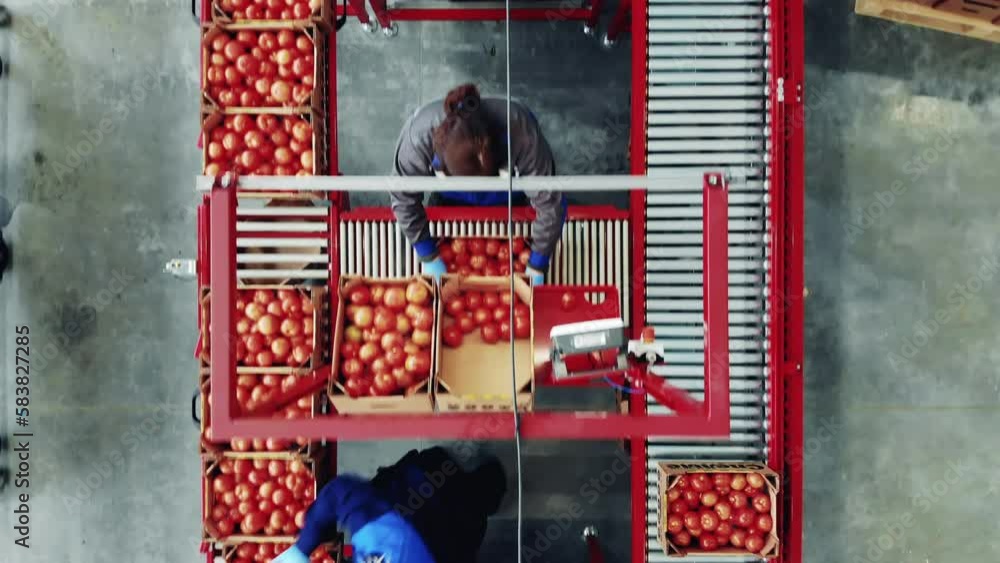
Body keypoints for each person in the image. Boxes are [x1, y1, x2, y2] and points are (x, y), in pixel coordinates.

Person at [390, 83, 565, 285]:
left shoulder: (518, 128)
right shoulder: (419, 136)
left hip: (511, 204)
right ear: (444, 167)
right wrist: (428, 255)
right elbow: (403, 199)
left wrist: (538, 264)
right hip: (449, 204)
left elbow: (549, 202)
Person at [275, 447, 507, 563]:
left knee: (469, 503)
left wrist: (302, 549)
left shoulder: (378, 539)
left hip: (436, 511)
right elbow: (338, 492)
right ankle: (485, 484)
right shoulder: (381, 539)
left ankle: (484, 487)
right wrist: (300, 550)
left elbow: (340, 494)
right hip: (432, 499)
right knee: (467, 495)